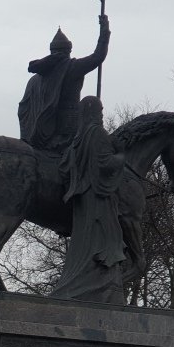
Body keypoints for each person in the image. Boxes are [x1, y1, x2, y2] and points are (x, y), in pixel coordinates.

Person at [52, 96, 126, 303]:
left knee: (83, 243)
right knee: (104, 239)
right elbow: (106, 164)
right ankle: (101, 285)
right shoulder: (98, 133)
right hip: (98, 199)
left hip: (83, 198)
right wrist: (120, 154)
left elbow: (66, 166)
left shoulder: (78, 139)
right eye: (100, 111)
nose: (102, 115)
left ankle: (84, 283)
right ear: (93, 113)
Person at [18, 15, 110, 154]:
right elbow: (98, 56)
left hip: (40, 134)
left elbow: (23, 110)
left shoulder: (35, 79)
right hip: (68, 131)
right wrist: (104, 31)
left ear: (52, 51)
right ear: (68, 50)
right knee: (92, 153)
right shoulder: (72, 67)